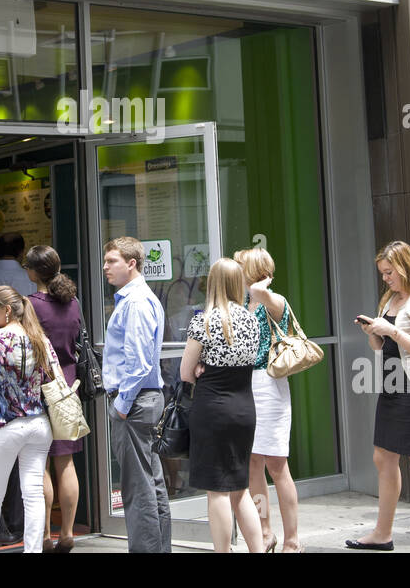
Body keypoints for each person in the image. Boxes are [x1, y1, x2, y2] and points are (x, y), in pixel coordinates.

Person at [348, 241, 410, 553]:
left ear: (405, 267)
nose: (386, 278)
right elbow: (384, 348)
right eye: (383, 273)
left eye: (389, 272)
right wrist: (374, 334)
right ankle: (382, 533)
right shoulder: (391, 298)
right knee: (383, 457)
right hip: (392, 385)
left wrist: (391, 331)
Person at [180, 258, 264, 552]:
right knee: (241, 490)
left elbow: (185, 373)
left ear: (214, 283)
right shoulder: (252, 320)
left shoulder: (204, 321)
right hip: (244, 408)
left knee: (216, 491)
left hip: (212, 409)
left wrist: (200, 368)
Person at [0, 286, 58, 552]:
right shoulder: (39, 337)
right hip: (39, 423)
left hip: (5, 424)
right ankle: (34, 549)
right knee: (33, 494)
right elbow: (52, 375)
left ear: (7, 310)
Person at [101, 236, 171, 552]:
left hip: (136, 401)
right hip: (142, 399)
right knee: (150, 483)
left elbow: (139, 362)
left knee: (138, 488)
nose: (105, 267)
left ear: (131, 263)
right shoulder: (138, 299)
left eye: (111, 261)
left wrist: (123, 404)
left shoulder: (135, 302)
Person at [234, 247, 301, 553]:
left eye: (241, 266)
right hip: (244, 385)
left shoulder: (272, 300)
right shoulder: (242, 303)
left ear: (254, 271)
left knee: (276, 464)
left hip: (268, 384)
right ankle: (264, 530)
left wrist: (261, 284)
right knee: (253, 463)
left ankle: (292, 539)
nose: (237, 271)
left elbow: (265, 296)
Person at [24, 244, 83, 553]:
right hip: (68, 385)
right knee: (66, 461)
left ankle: (45, 534)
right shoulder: (73, 302)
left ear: (33, 272)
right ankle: (68, 533)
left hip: (40, 385)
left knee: (40, 463)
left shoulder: (29, 305)